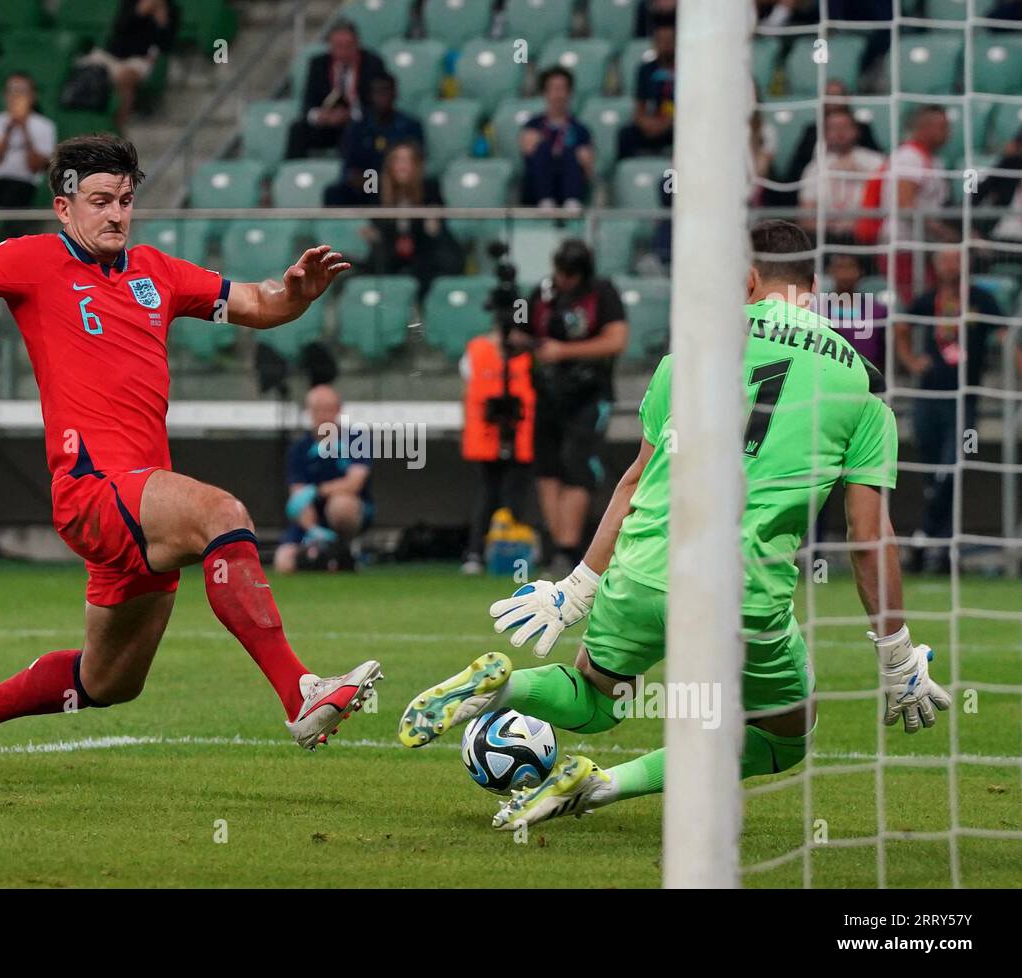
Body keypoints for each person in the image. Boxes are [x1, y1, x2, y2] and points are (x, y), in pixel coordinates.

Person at [0, 134, 383, 783]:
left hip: (140, 501)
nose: (116, 214)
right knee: (222, 514)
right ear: (64, 207)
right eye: (101, 200)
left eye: (126, 200)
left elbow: (255, 301)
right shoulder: (33, 260)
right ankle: (300, 692)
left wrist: (296, 296)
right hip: (91, 487)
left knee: (107, 681)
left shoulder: (158, 272)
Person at [399, 220, 951, 831]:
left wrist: (577, 588)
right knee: (784, 738)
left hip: (641, 570)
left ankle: (502, 691)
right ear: (814, 288)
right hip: (740, 588)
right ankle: (605, 784)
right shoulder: (862, 383)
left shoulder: (688, 353)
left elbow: (634, 480)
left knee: (596, 698)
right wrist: (896, 654)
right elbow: (868, 538)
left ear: (747, 279)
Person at [895, 248, 1014, 574]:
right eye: (945, 260)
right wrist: (911, 361)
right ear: (935, 266)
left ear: (966, 264)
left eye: (956, 259)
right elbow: (901, 327)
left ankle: (922, 539)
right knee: (932, 475)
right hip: (927, 399)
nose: (951, 265)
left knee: (951, 470)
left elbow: (1007, 336)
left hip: (965, 401)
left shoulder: (982, 299)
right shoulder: (927, 299)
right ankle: (942, 552)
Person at [517, 239, 628, 578]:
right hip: (547, 393)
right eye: (560, 272)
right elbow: (520, 332)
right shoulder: (542, 293)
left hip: (588, 394)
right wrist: (528, 343)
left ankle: (568, 548)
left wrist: (563, 351)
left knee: (577, 467)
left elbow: (616, 340)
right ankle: (557, 545)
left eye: (569, 274)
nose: (563, 279)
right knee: (547, 469)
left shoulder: (602, 293)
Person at [856, 104, 955, 303]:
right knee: (910, 301)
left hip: (921, 244)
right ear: (924, 128)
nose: (948, 134)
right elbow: (905, 206)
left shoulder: (932, 160)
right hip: (902, 244)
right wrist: (944, 233)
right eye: (943, 127)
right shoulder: (908, 157)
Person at [459, 325, 536, 574]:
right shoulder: (477, 350)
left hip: (521, 432)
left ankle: (511, 552)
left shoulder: (530, 351)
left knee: (514, 494)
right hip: (488, 432)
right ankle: (477, 551)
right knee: (487, 494)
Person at [274, 384, 372, 574]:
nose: (323, 415)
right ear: (309, 412)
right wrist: (312, 528)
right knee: (283, 562)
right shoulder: (299, 448)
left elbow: (354, 483)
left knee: (341, 505)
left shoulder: (356, 439)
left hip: (348, 510)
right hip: (313, 518)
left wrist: (317, 491)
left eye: (329, 409)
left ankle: (345, 550)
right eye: (318, 410)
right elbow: (298, 497)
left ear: (339, 410)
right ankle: (320, 554)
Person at [366, 141, 463, 293]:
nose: (402, 166)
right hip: (391, 251)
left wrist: (433, 226)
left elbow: (436, 226)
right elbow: (379, 227)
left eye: (407, 160)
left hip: (422, 248)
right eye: (397, 160)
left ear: (416, 165)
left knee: (438, 255)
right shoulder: (377, 192)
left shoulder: (430, 188)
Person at [286, 19, 386, 160]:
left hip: (357, 123)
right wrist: (319, 115)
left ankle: (348, 171)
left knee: (355, 132)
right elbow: (308, 103)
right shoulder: (318, 64)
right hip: (326, 124)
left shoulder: (372, 64)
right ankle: (293, 170)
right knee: (298, 129)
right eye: (338, 46)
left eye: (348, 46)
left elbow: (378, 105)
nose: (343, 51)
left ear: (357, 44)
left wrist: (351, 114)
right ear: (330, 46)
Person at [77, 0, 180, 131]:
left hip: (140, 60)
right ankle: (83, 124)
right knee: (83, 71)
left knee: (124, 78)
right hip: (113, 55)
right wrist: (139, 12)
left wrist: (162, 22)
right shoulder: (131, 2)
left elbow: (166, 46)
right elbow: (119, 28)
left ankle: (117, 128)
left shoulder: (171, 9)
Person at [323, 73, 422, 207]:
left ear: (395, 93)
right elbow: (351, 169)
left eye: (386, 90)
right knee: (335, 193)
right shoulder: (357, 128)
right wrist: (372, 180)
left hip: (399, 186)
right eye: (377, 91)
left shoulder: (410, 126)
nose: (382, 96)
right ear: (370, 95)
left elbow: (416, 163)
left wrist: (389, 180)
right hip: (366, 187)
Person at [799, 110, 884, 242]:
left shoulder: (876, 162)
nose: (840, 132)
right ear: (824, 133)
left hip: (867, 238)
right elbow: (806, 218)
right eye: (833, 127)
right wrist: (831, 226)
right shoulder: (814, 168)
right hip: (825, 239)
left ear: (856, 130)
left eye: (845, 126)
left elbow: (885, 208)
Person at [0, 73, 56, 209]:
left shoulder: (45, 125)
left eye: (22, 91)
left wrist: (24, 128)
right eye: (12, 90)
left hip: (24, 183)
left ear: (33, 96)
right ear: (5, 95)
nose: (16, 95)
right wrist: (9, 128)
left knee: (12, 195)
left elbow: (36, 166)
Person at [519, 66, 593, 209]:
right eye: (553, 89)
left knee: (570, 152)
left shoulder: (580, 129)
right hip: (538, 188)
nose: (558, 94)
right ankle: (545, 200)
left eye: (562, 89)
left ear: (570, 93)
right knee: (542, 149)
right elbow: (527, 152)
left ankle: (572, 202)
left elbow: (588, 168)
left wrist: (581, 158)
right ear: (545, 93)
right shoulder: (533, 125)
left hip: (569, 183)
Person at [617, 14, 675, 161]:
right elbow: (639, 106)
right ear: (654, 43)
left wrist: (666, 123)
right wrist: (645, 123)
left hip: (674, 124)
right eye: (661, 41)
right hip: (651, 121)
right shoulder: (645, 70)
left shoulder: (685, 70)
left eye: (669, 40)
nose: (666, 45)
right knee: (626, 134)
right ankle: (628, 170)